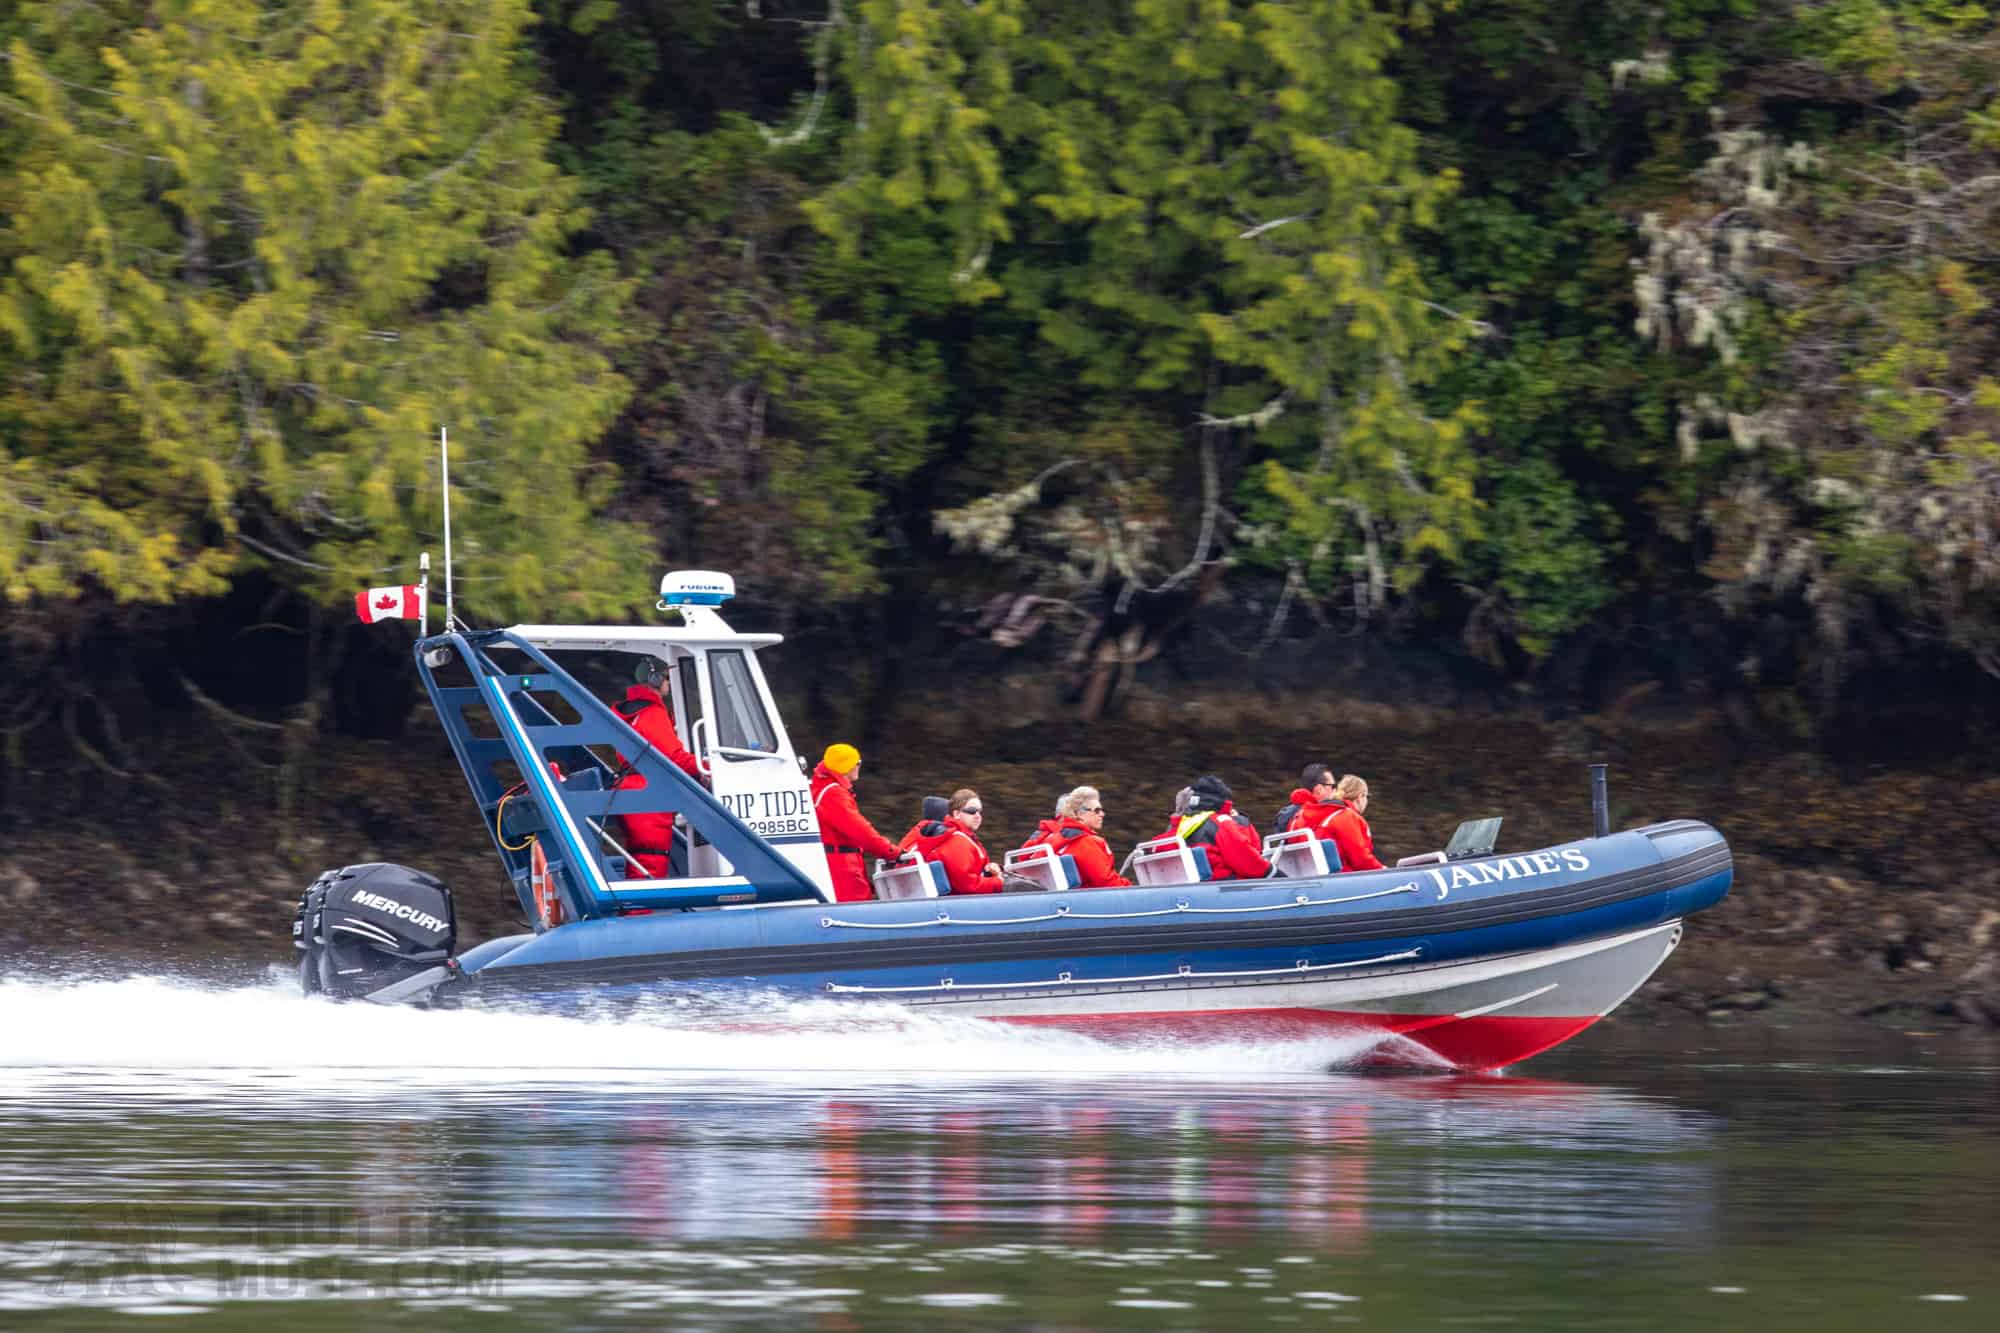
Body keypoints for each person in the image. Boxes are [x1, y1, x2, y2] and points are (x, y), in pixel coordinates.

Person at [611, 656, 705, 878]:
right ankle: (641, 913)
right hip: (648, 795)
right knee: (649, 861)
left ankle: (638, 912)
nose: (668, 683)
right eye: (666, 678)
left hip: (634, 789)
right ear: (655, 679)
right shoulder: (652, 713)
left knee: (640, 858)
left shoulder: (632, 712)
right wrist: (708, 766)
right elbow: (675, 758)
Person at [810, 743, 901, 902]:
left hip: (832, 865)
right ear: (848, 767)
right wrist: (892, 852)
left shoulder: (820, 787)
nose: (859, 766)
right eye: (858, 763)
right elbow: (862, 832)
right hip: (842, 869)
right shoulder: (834, 794)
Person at [1021, 786, 1131, 889]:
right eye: (1097, 810)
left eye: (1102, 810)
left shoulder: (1054, 839)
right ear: (1079, 813)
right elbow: (1107, 883)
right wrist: (1131, 887)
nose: (1102, 814)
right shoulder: (1086, 842)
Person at [1164, 775, 1270, 880]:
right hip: (1225, 887)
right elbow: (1249, 862)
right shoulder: (1221, 822)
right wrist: (1274, 873)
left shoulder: (1179, 825)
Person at [898, 788, 1003, 894]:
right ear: (956, 814)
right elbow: (968, 886)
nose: (977, 816)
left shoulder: (964, 838)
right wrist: (999, 882)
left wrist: (988, 870)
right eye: (971, 811)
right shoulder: (956, 840)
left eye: (980, 811)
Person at [1317, 774, 1385, 872]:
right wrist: (1382, 869)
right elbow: (1360, 858)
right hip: (1344, 876)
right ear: (1360, 796)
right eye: (1367, 796)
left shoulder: (1331, 813)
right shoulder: (1347, 817)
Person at [1272, 762, 1335, 839]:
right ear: (1319, 789)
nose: (1335, 790)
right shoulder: (1324, 816)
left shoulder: (1286, 815)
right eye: (1332, 786)